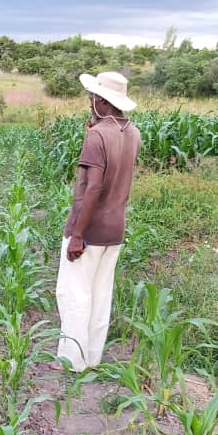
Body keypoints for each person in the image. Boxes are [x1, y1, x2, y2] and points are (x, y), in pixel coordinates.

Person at [54, 71, 141, 372]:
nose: (89, 101)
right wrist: (93, 130)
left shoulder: (97, 135)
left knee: (74, 294)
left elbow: (93, 188)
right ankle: (91, 359)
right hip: (115, 228)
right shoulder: (132, 132)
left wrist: (78, 234)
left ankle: (71, 360)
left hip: (89, 228)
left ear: (103, 101)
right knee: (100, 294)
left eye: (92, 97)